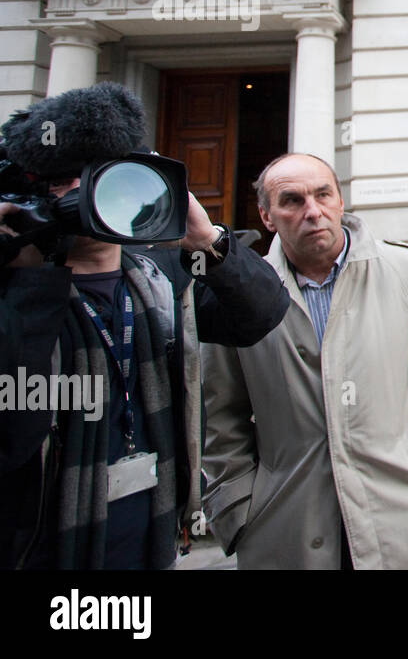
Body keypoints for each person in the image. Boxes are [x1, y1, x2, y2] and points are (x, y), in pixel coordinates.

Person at [0, 82, 290, 570]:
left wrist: (208, 239)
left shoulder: (164, 279)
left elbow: (262, 313)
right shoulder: (19, 292)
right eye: (65, 179)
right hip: (42, 551)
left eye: (105, 175)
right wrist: (28, 274)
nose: (87, 194)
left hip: (149, 540)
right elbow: (13, 435)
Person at [202, 153, 408, 569]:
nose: (313, 212)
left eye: (323, 194)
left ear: (340, 201)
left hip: (404, 506)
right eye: (291, 201)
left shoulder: (404, 269)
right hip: (286, 519)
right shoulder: (236, 293)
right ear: (266, 216)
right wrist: (236, 502)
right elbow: (219, 410)